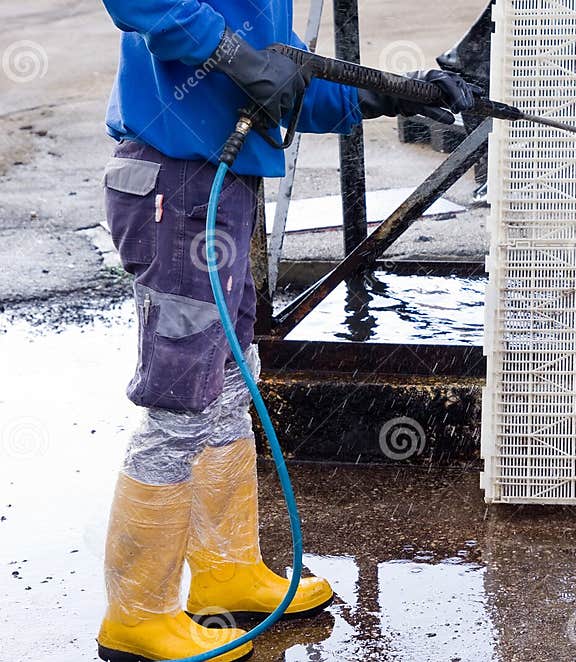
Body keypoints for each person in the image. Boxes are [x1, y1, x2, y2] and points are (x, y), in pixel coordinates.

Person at [96, 2, 478, 660]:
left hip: (223, 189)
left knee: (227, 386)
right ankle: (136, 615)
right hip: (174, 185)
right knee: (179, 404)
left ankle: (226, 572)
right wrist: (233, 56)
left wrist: (398, 92)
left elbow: (289, 89)